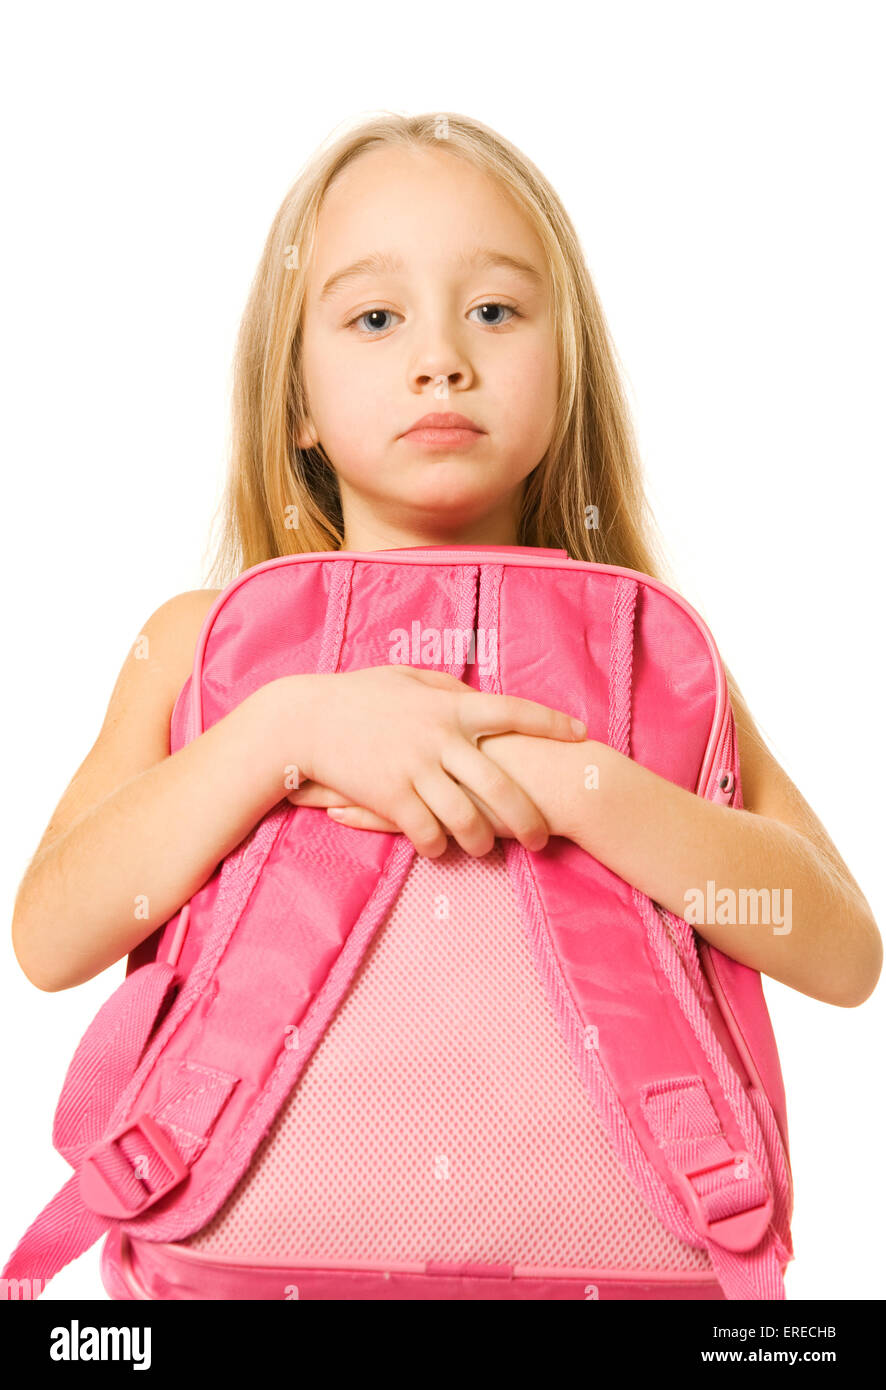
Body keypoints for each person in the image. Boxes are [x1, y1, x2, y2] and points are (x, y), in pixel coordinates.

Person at [8, 110, 881, 1296]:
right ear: (296, 402)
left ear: (564, 372)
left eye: (495, 311)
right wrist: (287, 730)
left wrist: (579, 785)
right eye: (376, 317)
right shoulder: (199, 646)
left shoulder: (645, 653)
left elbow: (841, 953)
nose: (442, 359)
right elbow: (51, 937)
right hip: (233, 1269)